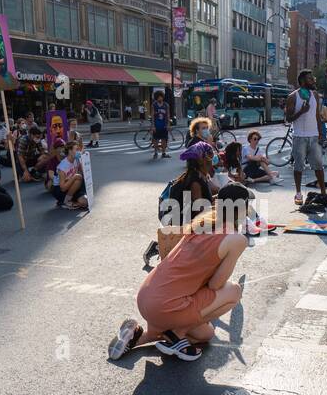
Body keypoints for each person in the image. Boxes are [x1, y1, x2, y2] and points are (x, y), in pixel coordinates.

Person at [110, 183, 251, 362]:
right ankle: (177, 334)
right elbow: (216, 285)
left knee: (206, 334)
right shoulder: (237, 239)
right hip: (167, 305)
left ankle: (139, 336)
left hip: (147, 296)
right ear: (242, 208)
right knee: (234, 291)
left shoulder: (203, 221)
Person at [145, 140, 217, 266]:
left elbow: (213, 192)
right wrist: (216, 207)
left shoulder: (199, 175)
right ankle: (157, 247)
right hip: (181, 219)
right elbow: (200, 210)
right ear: (203, 160)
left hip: (182, 217)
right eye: (211, 156)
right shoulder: (195, 181)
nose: (213, 158)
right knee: (182, 248)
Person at [286, 70, 327, 206]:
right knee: (298, 167)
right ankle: (298, 193)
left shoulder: (315, 95)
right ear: (303, 81)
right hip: (299, 137)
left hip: (314, 136)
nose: (313, 80)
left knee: (318, 166)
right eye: (310, 79)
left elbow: (317, 115)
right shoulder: (293, 97)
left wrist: (321, 132)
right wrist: (301, 111)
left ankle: (323, 192)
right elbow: (288, 118)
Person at [52, 139, 89, 210]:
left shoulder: (76, 160)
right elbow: (62, 188)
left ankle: (71, 202)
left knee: (85, 202)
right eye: (76, 149)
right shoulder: (62, 166)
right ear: (70, 151)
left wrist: (84, 160)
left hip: (72, 186)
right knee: (78, 178)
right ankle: (66, 201)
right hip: (59, 190)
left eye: (79, 149)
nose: (78, 151)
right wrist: (75, 177)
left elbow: (84, 173)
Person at [151, 91, 170, 159]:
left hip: (164, 125)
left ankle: (163, 153)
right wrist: (153, 126)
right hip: (156, 125)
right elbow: (152, 116)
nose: (160, 98)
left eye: (161, 97)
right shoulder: (154, 105)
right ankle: (155, 153)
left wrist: (168, 124)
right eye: (158, 97)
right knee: (155, 140)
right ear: (156, 98)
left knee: (164, 140)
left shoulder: (166, 105)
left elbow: (168, 115)